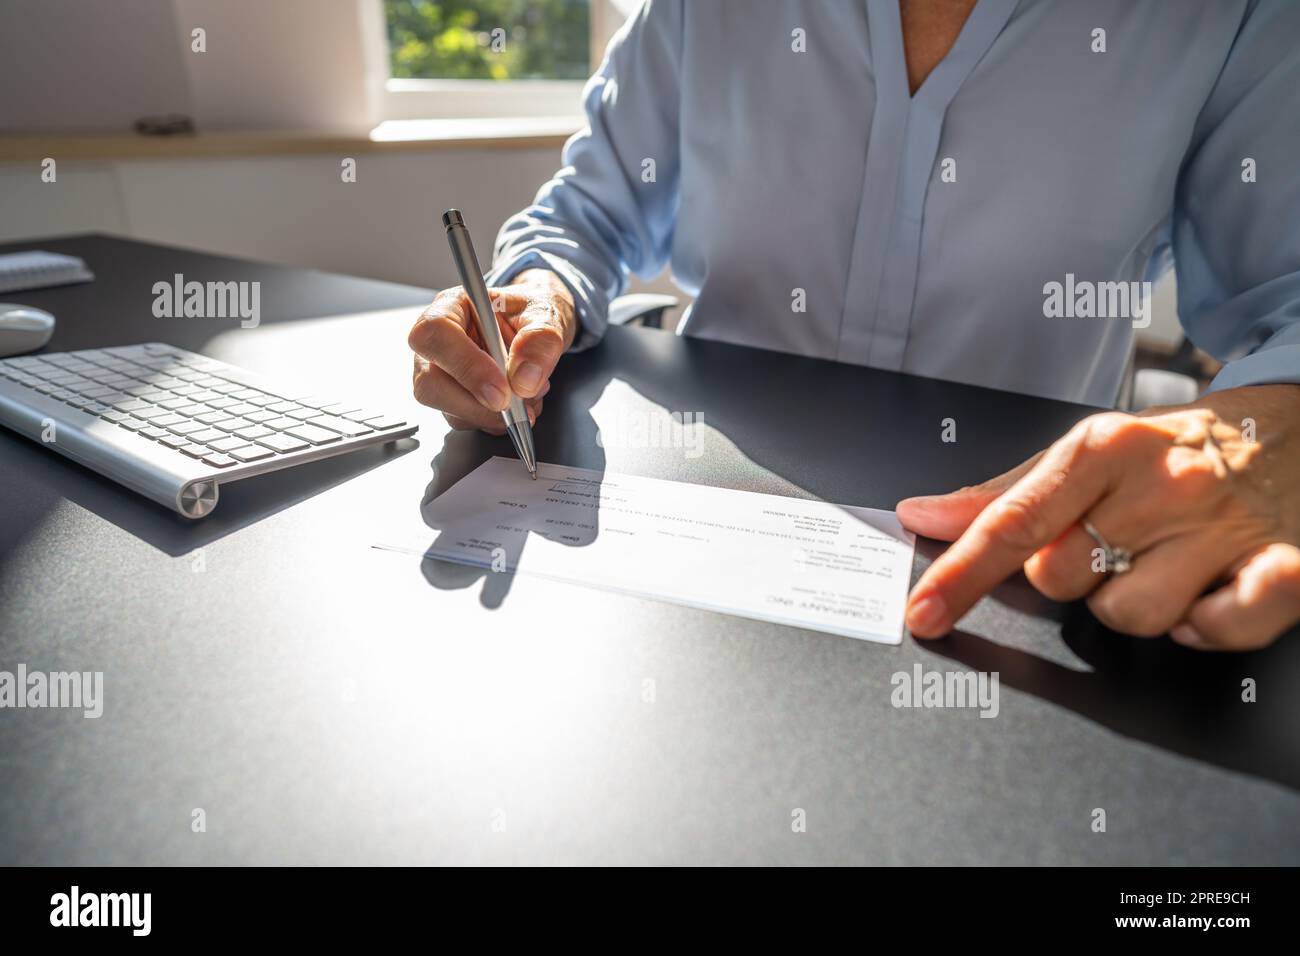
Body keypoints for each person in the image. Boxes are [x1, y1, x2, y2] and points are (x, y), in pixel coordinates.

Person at [408, 0, 1300, 650]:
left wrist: (1264, 439)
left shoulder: (1228, 17)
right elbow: (585, 213)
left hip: (1025, 579)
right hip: (699, 574)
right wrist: (539, 291)